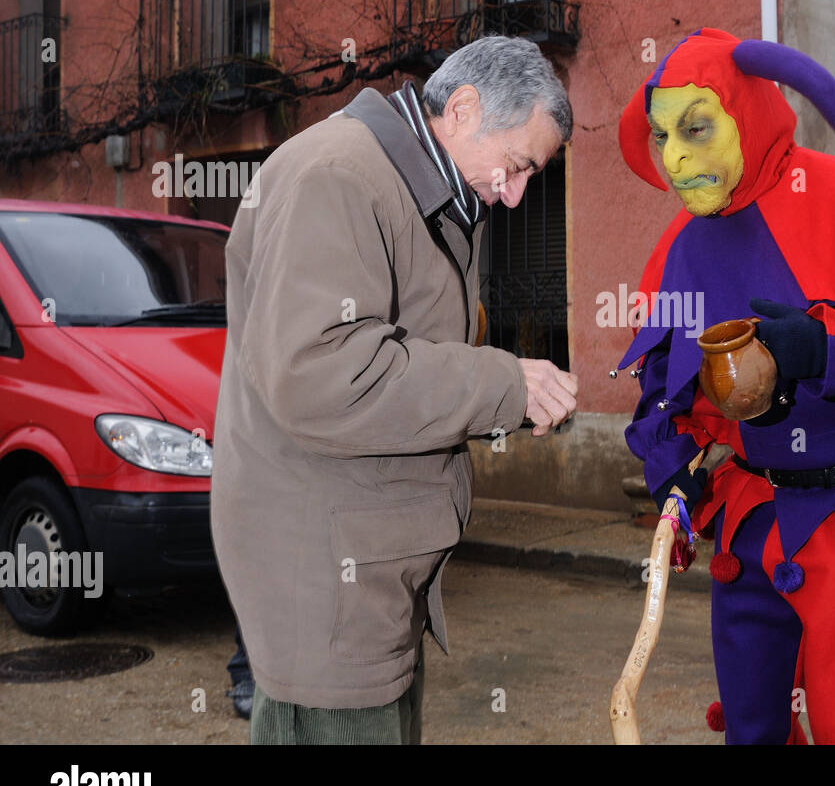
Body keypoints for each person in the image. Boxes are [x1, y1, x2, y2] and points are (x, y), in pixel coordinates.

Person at [212, 36, 578, 745]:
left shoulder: (414, 185)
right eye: (519, 164)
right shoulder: (338, 176)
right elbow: (322, 374)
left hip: (364, 573)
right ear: (464, 108)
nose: (515, 194)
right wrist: (504, 381)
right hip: (325, 584)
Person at [616, 28, 835, 744]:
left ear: (747, 112)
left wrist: (828, 351)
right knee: (754, 726)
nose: (676, 158)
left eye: (695, 129)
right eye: (662, 138)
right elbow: (665, 393)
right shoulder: (681, 249)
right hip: (750, 522)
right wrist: (674, 478)